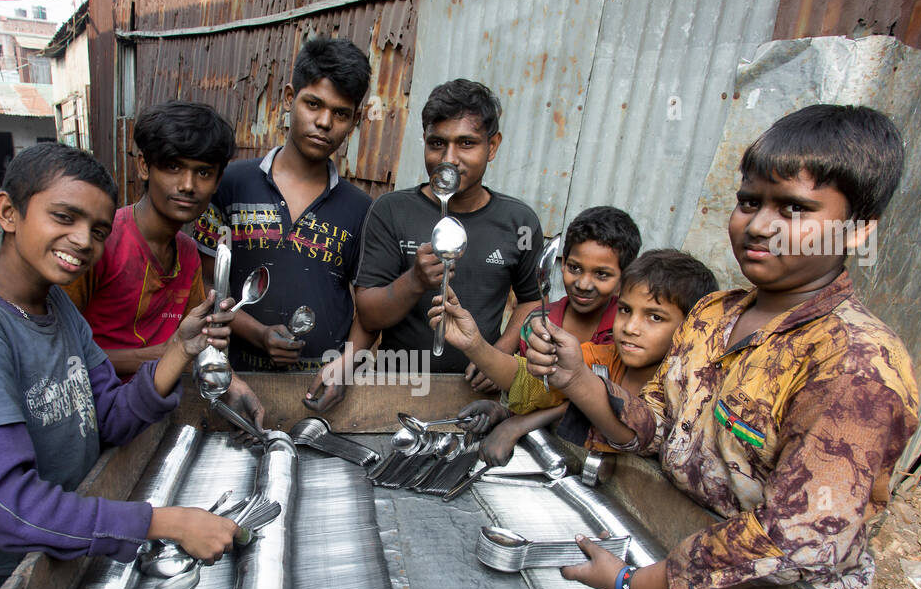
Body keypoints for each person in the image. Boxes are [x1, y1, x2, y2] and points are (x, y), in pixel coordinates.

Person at [526, 104, 918, 589]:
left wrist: (632, 582)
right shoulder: (714, 313)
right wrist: (577, 378)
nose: (759, 226)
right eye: (748, 201)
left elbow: (791, 539)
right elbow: (658, 424)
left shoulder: (857, 363)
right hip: (669, 552)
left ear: (856, 231)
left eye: (794, 209)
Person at [0, 143, 240, 589]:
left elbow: (107, 418)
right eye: (63, 217)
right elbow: (8, 507)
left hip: (80, 535)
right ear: (9, 212)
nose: (82, 241)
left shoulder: (58, 307)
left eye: (98, 230)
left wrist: (180, 349)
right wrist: (163, 522)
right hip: (17, 569)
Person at [192, 37, 374, 413]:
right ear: (290, 96)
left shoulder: (361, 209)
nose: (324, 122)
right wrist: (257, 334)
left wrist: (346, 366)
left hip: (321, 390)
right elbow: (203, 284)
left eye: (341, 114)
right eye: (313, 104)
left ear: (354, 121)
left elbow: (370, 311)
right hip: (237, 382)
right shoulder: (231, 184)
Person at [61, 101, 263, 430]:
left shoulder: (186, 254)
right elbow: (56, 356)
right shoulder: (99, 244)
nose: (188, 185)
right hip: (89, 420)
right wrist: (162, 354)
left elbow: (196, 343)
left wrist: (233, 384)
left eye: (203, 172)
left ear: (218, 179)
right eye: (172, 166)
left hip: (157, 417)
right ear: (144, 166)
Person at [433, 249, 717, 466]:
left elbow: (636, 433)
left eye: (655, 317)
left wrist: (519, 422)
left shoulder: (689, 389)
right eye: (626, 310)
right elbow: (531, 379)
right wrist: (475, 345)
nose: (630, 328)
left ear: (690, 329)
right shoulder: (605, 356)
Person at [354, 79, 543, 392]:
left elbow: (531, 299)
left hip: (476, 392)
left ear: (492, 146)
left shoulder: (519, 222)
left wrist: (498, 353)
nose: (449, 158)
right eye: (437, 143)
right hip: (397, 386)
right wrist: (414, 281)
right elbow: (369, 315)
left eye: (466, 143)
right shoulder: (391, 211)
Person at [518, 206, 641, 355]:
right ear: (563, 263)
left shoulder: (631, 333)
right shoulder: (537, 323)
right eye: (575, 268)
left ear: (625, 277)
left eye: (601, 274)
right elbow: (522, 373)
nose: (583, 285)